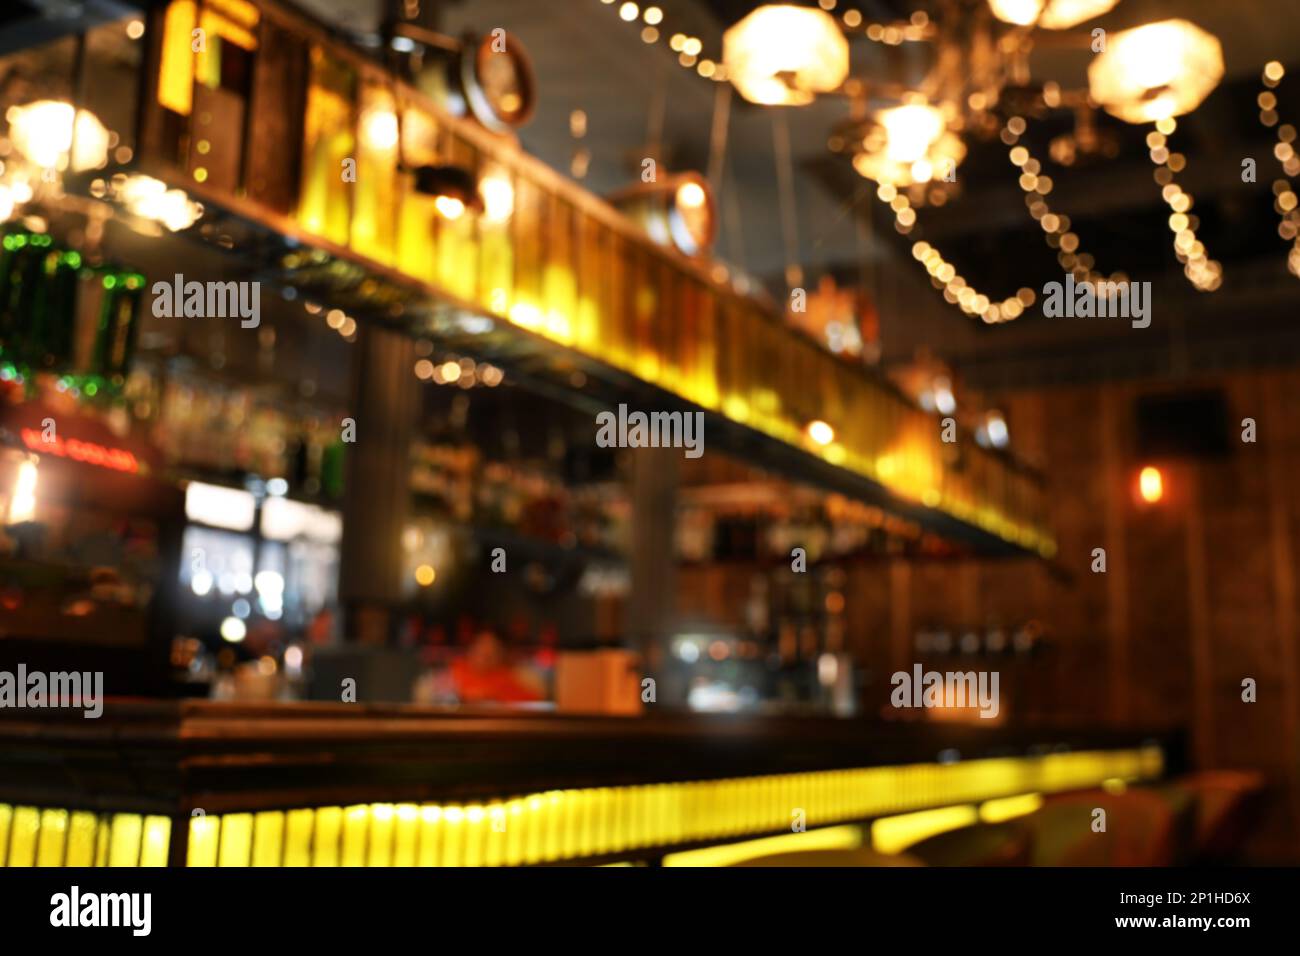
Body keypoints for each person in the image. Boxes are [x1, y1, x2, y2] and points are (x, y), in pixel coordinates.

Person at [449, 630, 543, 704]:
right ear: (471, 649)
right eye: (481, 646)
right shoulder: (457, 670)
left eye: (491, 648)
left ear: (499, 654)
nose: (485, 652)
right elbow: (446, 694)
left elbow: (533, 700)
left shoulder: (504, 676)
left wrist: (493, 695)